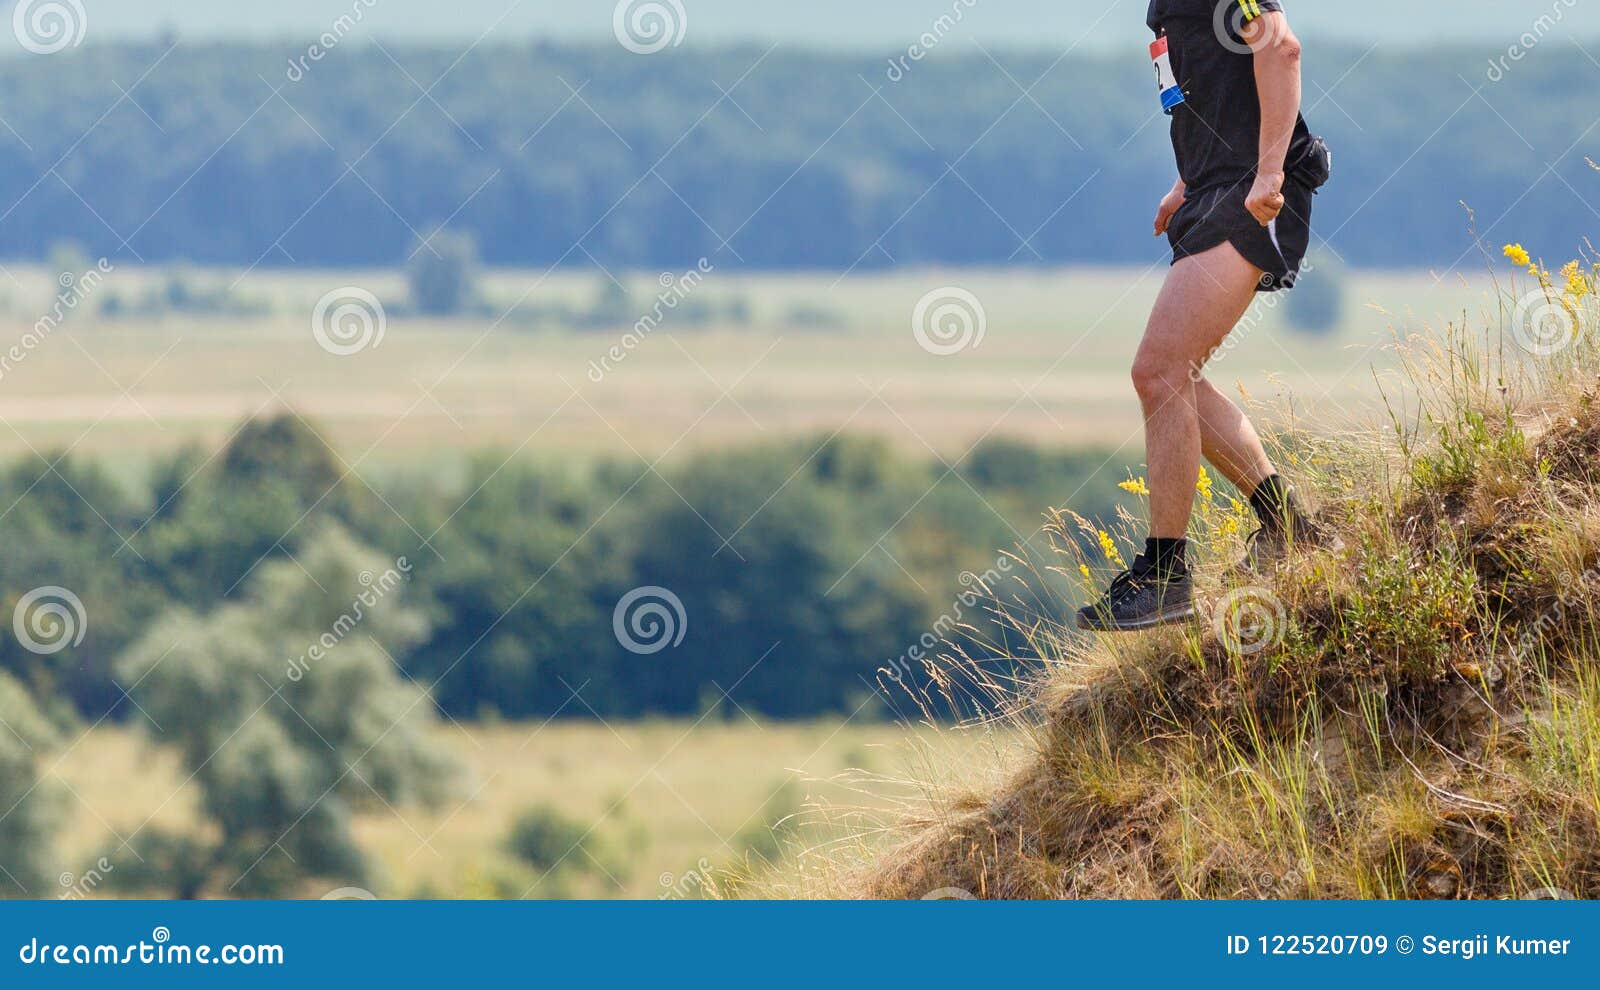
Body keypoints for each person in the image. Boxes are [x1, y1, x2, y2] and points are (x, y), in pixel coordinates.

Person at [1077, 0, 1334, 633]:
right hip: (1214, 186)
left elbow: (1281, 49)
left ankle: (1167, 576)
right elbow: (1208, 97)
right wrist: (1186, 182)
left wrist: (1270, 172)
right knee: (1176, 376)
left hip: (1253, 189)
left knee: (1158, 372)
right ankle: (1289, 528)